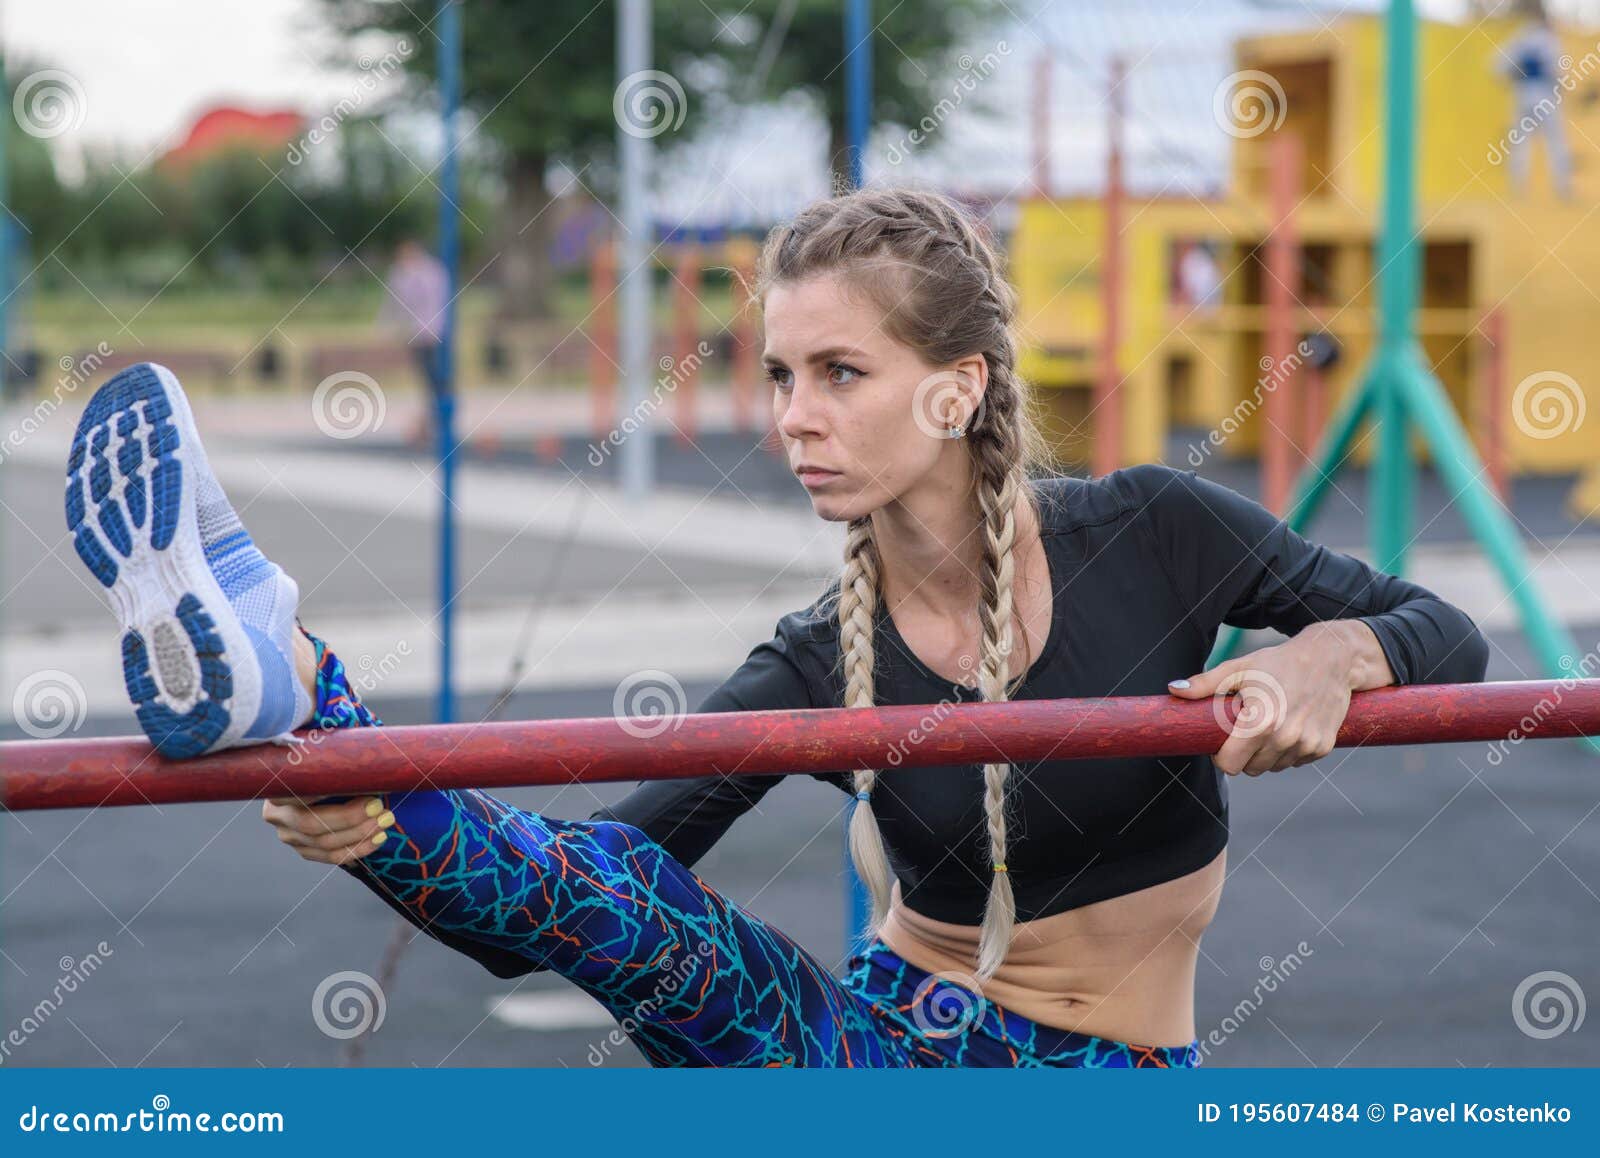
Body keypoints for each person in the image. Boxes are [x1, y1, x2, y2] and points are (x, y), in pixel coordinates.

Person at [63, 187, 1489, 1068]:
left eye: (839, 371)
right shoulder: (824, 651)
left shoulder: (1157, 529)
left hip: (1111, 1072)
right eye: (779, 372)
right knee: (628, 899)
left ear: (957, 387)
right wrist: (373, 830)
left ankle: (311, 702)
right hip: (869, 1049)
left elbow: (1443, 627)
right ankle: (305, 699)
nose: (792, 414)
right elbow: (579, 900)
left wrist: (1326, 653)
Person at [1496, 3, 1573, 200]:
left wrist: (1514, 76)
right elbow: (1556, 70)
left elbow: (1497, 66)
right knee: (1555, 140)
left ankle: (1517, 187)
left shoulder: (1520, 38)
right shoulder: (1548, 39)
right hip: (1544, 95)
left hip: (1523, 93)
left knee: (1520, 141)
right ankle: (1563, 187)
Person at [378, 237, 451, 445]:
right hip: (421, 333)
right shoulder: (404, 272)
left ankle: (435, 419)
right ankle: (433, 418)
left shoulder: (431, 272)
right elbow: (395, 302)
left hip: (433, 333)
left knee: (436, 379)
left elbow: (437, 302)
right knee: (430, 379)